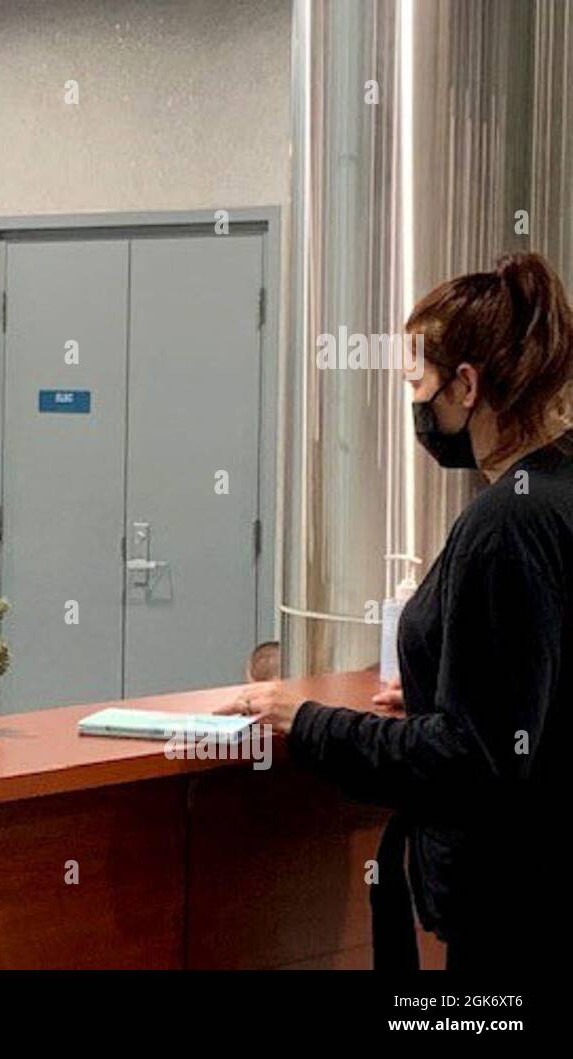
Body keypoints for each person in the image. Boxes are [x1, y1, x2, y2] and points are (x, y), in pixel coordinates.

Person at [223, 252, 572, 972]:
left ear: (467, 385)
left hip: (516, 920)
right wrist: (449, 688)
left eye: (419, 381)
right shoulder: (554, 494)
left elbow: (474, 762)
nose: (415, 402)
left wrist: (309, 719)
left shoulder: (505, 525)